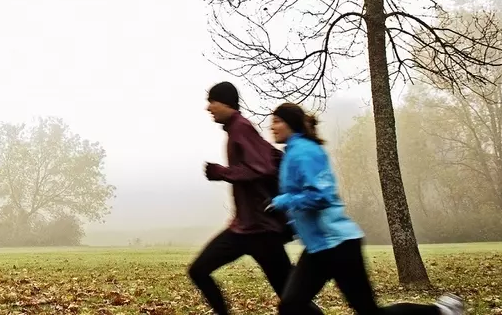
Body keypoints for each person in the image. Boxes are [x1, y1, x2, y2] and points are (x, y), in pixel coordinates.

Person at [268, 102, 464, 315]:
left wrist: (284, 201)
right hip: (318, 248)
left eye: (277, 121)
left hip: (339, 245)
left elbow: (320, 196)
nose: (272, 127)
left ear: (291, 123)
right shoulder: (292, 153)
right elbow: (303, 202)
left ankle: (441, 311)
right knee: (290, 306)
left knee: (369, 312)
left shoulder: (306, 152)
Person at [188, 81, 322, 315]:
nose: (209, 108)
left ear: (227, 103)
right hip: (243, 229)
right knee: (198, 270)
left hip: (261, 231)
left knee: (291, 299)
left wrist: (223, 173)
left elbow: (263, 168)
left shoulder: (241, 127)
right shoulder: (235, 129)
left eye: (213, 101)